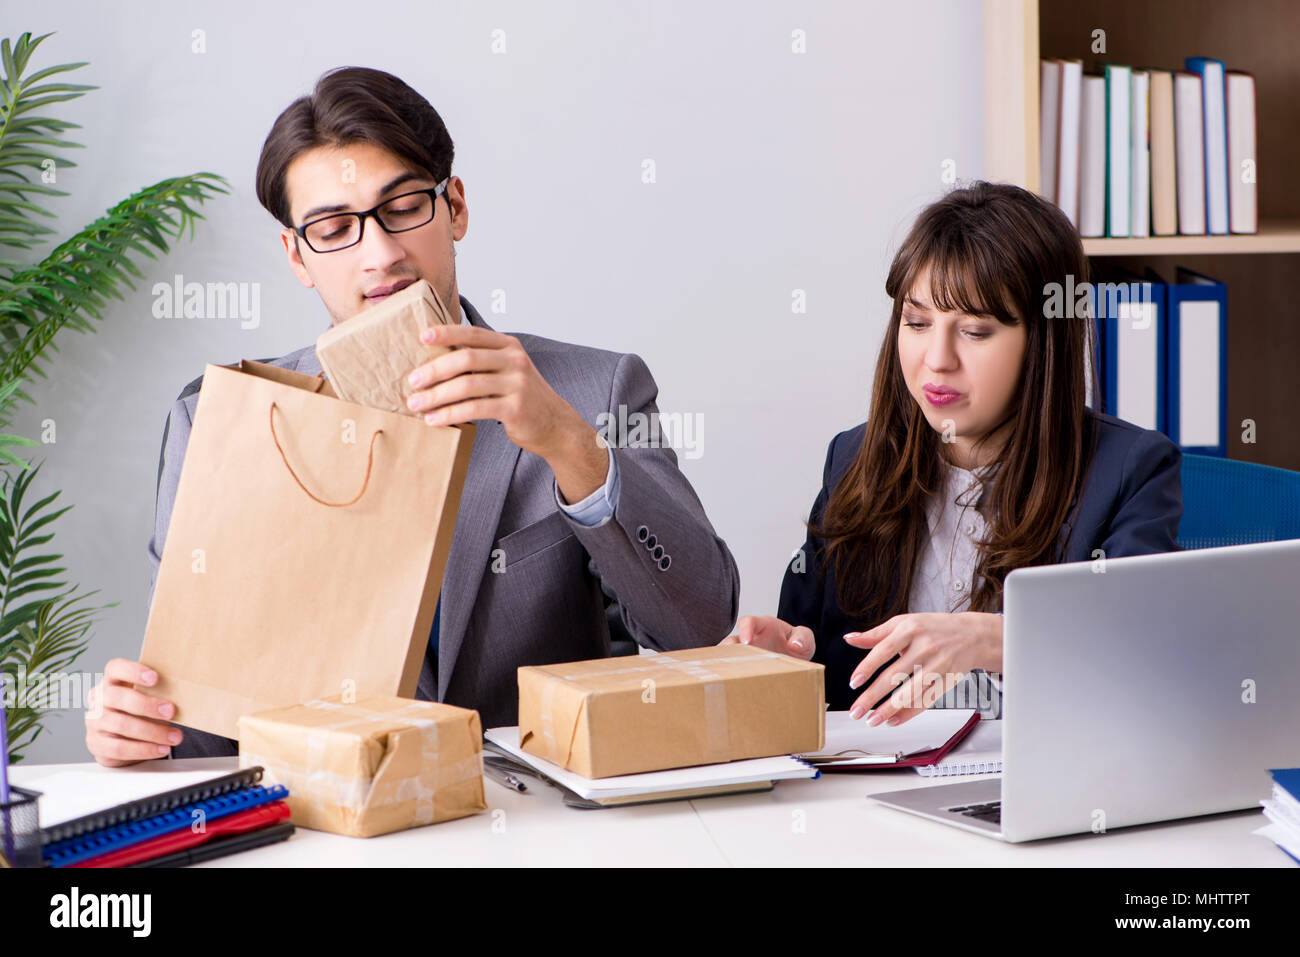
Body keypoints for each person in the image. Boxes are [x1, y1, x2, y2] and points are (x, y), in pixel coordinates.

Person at [86, 66, 740, 766]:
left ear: (453, 206)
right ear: (296, 255)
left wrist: (567, 443)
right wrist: (144, 728)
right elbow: (217, 727)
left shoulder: (593, 391)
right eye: (334, 228)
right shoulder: (220, 426)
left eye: (402, 208)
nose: (382, 253)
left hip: (527, 825)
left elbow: (699, 627)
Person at [724, 181, 1181, 726]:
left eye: (974, 331)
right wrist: (786, 657)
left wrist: (996, 639)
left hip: (1046, 786)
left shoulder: (1128, 469)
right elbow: (821, 666)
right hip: (872, 790)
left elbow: (1139, 656)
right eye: (916, 324)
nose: (936, 360)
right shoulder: (853, 458)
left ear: (1043, 341)